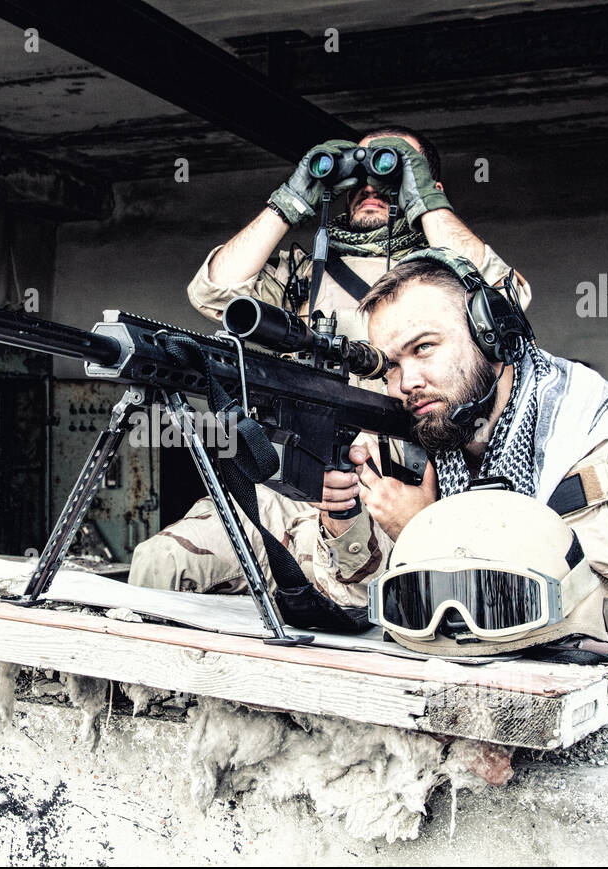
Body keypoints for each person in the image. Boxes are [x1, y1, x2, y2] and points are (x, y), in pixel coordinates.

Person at [129, 126, 530, 599]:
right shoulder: (305, 271)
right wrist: (290, 199)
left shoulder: (442, 278)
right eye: (358, 172)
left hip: (382, 492)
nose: (370, 184)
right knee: (159, 563)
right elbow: (212, 291)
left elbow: (507, 299)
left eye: (391, 170)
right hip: (287, 484)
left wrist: (423, 199)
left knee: (355, 611)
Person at [314, 249, 608, 635]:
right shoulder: (422, 422)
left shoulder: (591, 427)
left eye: (423, 348)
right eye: (390, 365)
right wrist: (344, 522)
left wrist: (426, 533)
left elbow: (588, 615)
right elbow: (359, 600)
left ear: (490, 336)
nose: (404, 382)